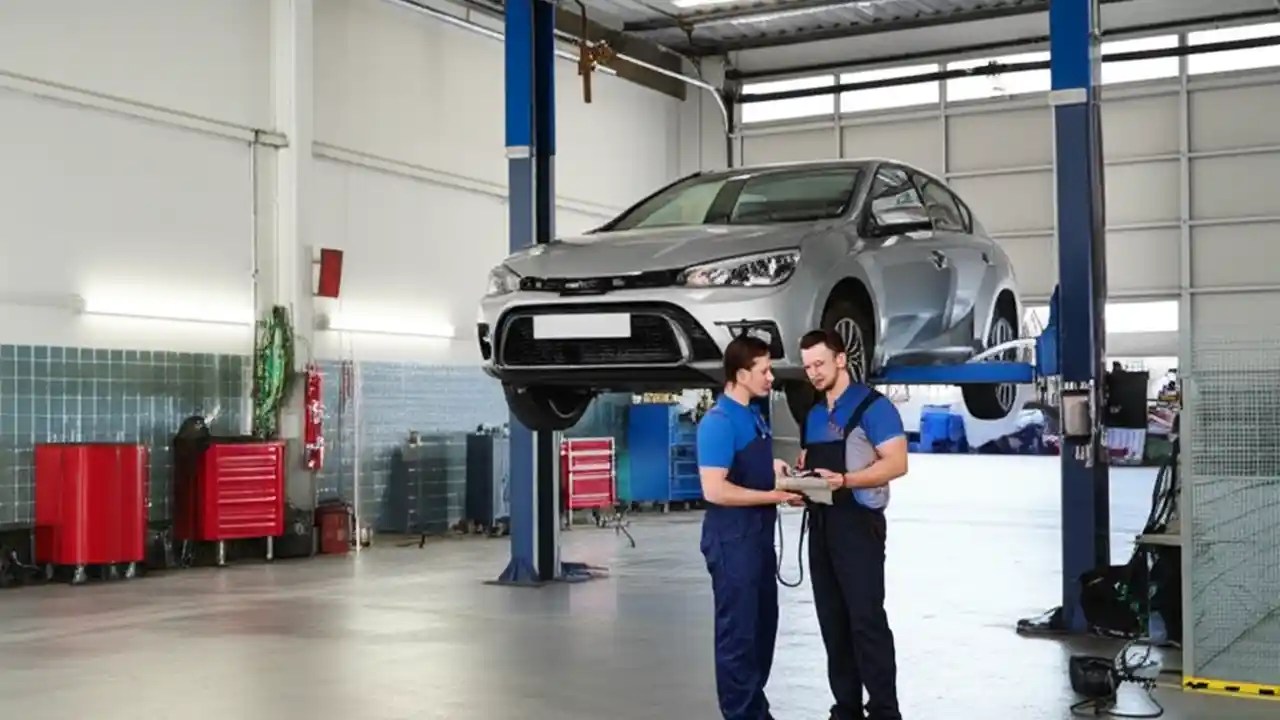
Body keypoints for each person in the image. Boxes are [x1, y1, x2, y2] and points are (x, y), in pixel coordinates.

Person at [795, 328, 909, 720]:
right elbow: (809, 463)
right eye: (808, 366)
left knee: (865, 619)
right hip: (822, 522)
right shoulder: (812, 414)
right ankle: (845, 708)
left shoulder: (874, 407)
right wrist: (800, 484)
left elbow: (897, 464)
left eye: (820, 363)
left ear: (841, 359)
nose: (813, 372)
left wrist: (846, 480)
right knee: (832, 620)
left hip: (859, 524)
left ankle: (883, 710)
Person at [696, 334, 801, 720]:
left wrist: (776, 472)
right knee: (738, 638)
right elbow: (715, 489)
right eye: (764, 370)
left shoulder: (753, 415)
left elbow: (749, 465)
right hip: (732, 543)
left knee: (761, 631)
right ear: (741, 374)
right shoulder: (719, 422)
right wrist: (775, 498)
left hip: (757, 542)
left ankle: (755, 708)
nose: (771, 377)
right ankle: (741, 713)